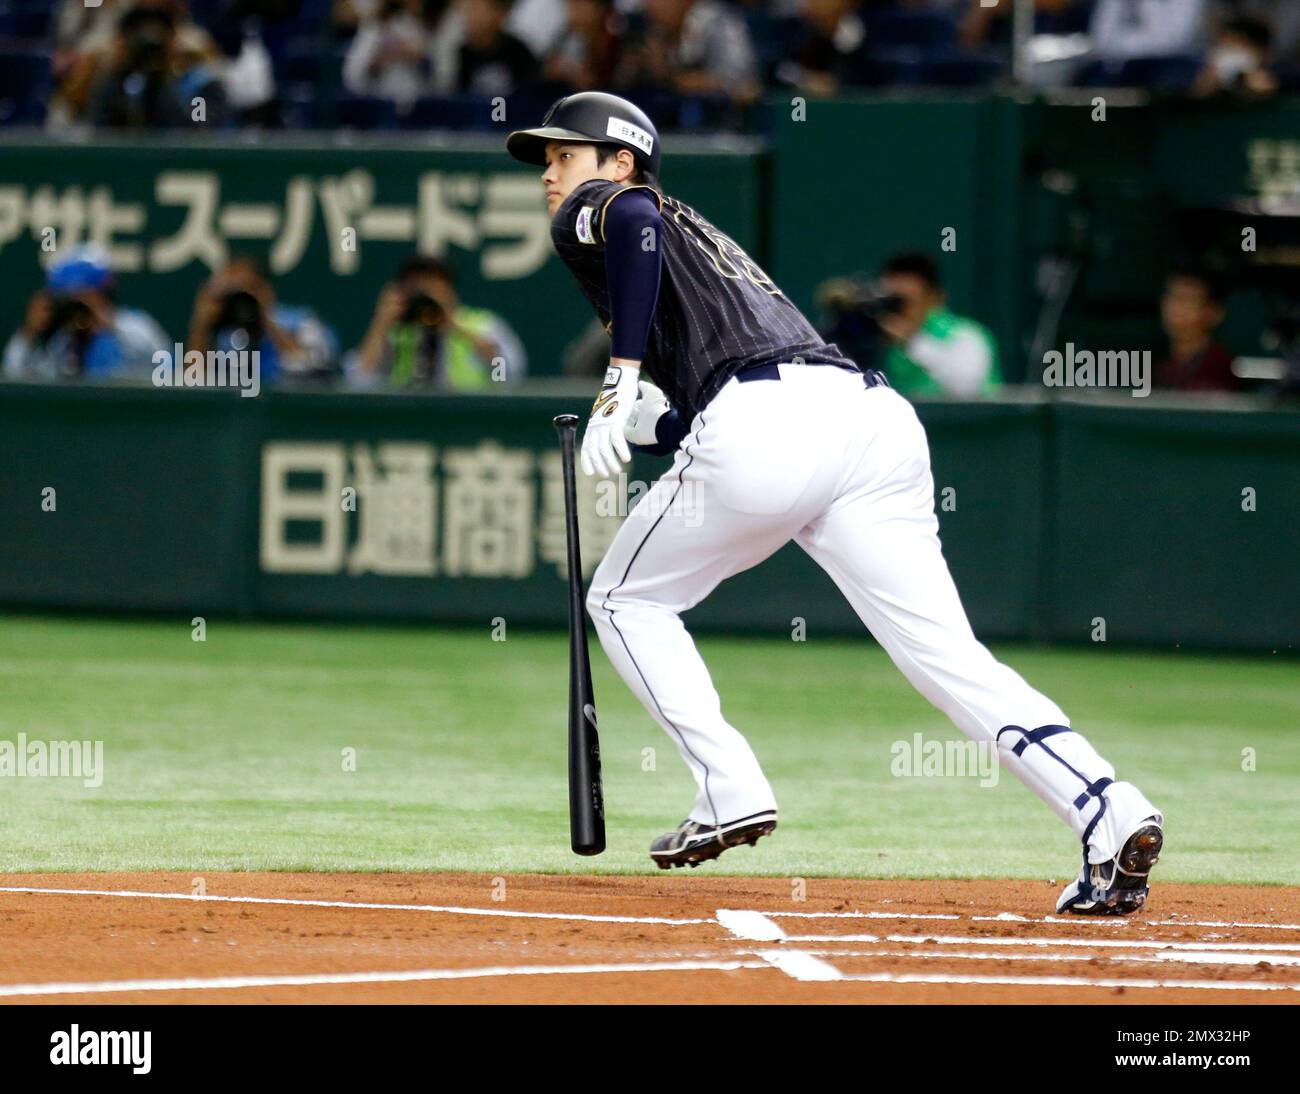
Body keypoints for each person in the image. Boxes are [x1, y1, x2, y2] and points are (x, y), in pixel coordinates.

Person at [506, 91, 1164, 915]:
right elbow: (705, 390)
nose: (550, 174)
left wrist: (622, 371)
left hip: (769, 420)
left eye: (565, 155)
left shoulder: (611, 208)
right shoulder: (697, 245)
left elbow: (632, 216)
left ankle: (730, 784)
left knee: (623, 596)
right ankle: (1109, 807)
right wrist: (662, 419)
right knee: (950, 661)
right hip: (866, 422)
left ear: (622, 159)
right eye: (549, 160)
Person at [347, 254, 527, 388]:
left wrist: (453, 326)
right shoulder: (396, 332)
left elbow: (507, 375)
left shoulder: (483, 324)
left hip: (466, 423)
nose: (425, 293)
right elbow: (358, 381)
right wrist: (381, 322)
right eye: (417, 286)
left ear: (450, 289)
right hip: (405, 423)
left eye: (433, 285)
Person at [4, 245, 170, 381]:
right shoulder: (60, 339)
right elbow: (14, 374)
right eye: (71, 297)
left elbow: (165, 364)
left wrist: (108, 324)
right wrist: (29, 334)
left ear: (104, 294)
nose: (78, 305)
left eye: (86, 295)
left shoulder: (131, 324)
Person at [188, 254, 338, 384]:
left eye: (248, 287)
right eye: (232, 290)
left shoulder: (302, 322)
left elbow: (314, 368)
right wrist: (201, 325)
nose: (241, 297)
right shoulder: (223, 331)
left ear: (266, 290)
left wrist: (262, 318)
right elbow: (192, 380)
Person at [876, 252, 1001, 398]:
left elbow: (968, 387)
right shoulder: (881, 339)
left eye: (905, 301)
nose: (897, 310)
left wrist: (912, 342)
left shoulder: (968, 335)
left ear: (935, 298)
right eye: (890, 302)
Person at [1154, 268, 1241, 392]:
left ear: (1213, 312)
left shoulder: (1220, 367)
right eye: (1172, 296)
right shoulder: (1159, 365)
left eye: (1188, 299)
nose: (1176, 308)